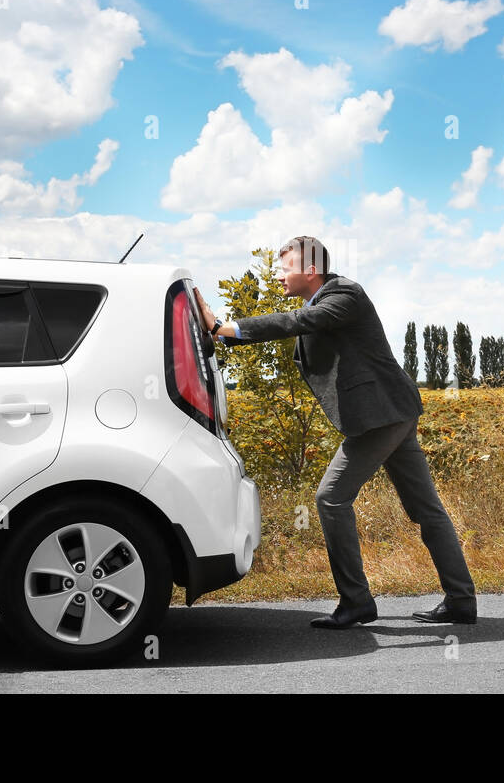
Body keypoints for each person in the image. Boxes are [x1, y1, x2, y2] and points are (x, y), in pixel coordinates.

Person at [192, 235, 477, 629]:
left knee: (330, 498)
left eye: (285, 268)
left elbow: (300, 322)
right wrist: (214, 333)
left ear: (311, 270)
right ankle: (461, 601)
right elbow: (299, 323)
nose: (279, 276)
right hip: (390, 414)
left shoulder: (344, 294)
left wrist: (226, 328)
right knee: (426, 509)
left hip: (382, 416)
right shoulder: (323, 301)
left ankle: (357, 601)